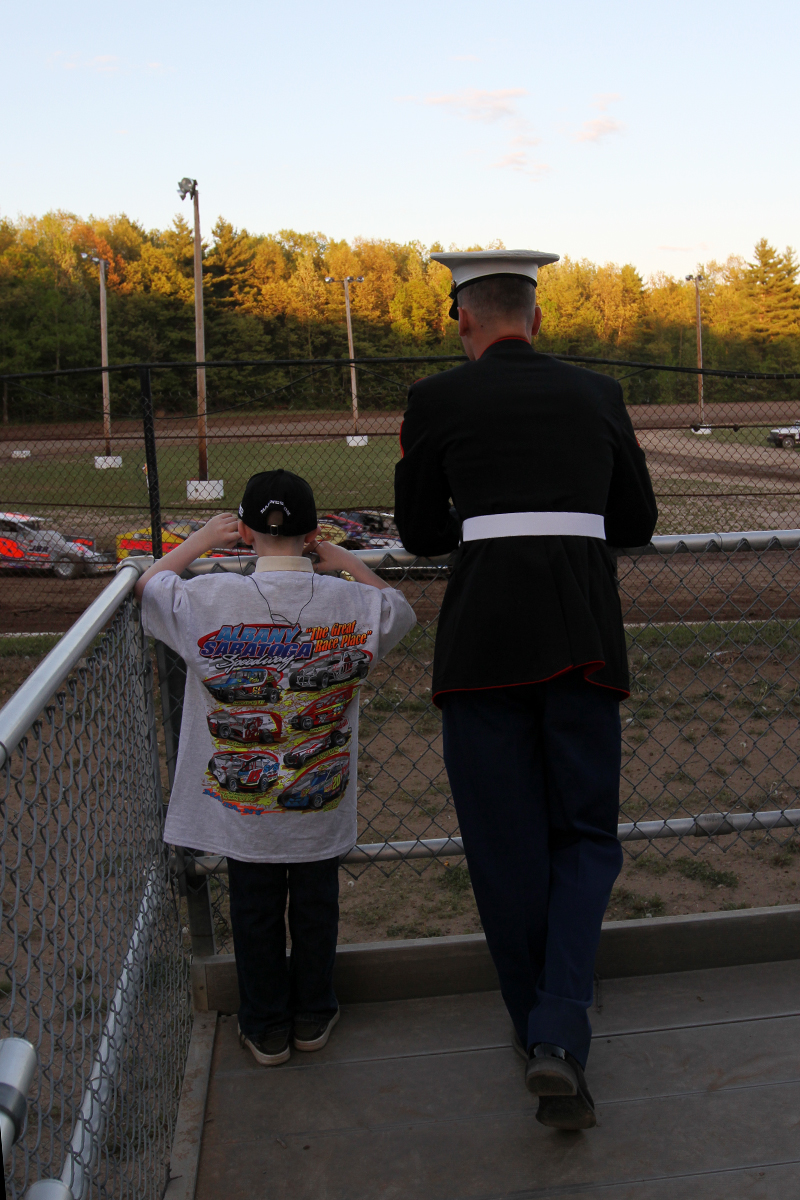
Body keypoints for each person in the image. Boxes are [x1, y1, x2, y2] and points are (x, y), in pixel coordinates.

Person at [394, 250, 657, 1130]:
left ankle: (535, 1031)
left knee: (503, 846)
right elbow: (637, 523)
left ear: (462, 318)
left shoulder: (435, 400)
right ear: (536, 318)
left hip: (480, 648)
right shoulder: (598, 394)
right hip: (581, 638)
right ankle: (559, 1029)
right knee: (584, 836)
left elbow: (423, 535)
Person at [135, 469, 416, 1066]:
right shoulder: (354, 601)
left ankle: (265, 1025)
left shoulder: (207, 597)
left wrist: (199, 545)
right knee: (316, 905)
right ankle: (313, 1010)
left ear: (243, 530)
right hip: (320, 797)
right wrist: (343, 560)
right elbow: (399, 607)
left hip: (245, 808)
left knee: (254, 907)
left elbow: (150, 587)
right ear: (313, 533)